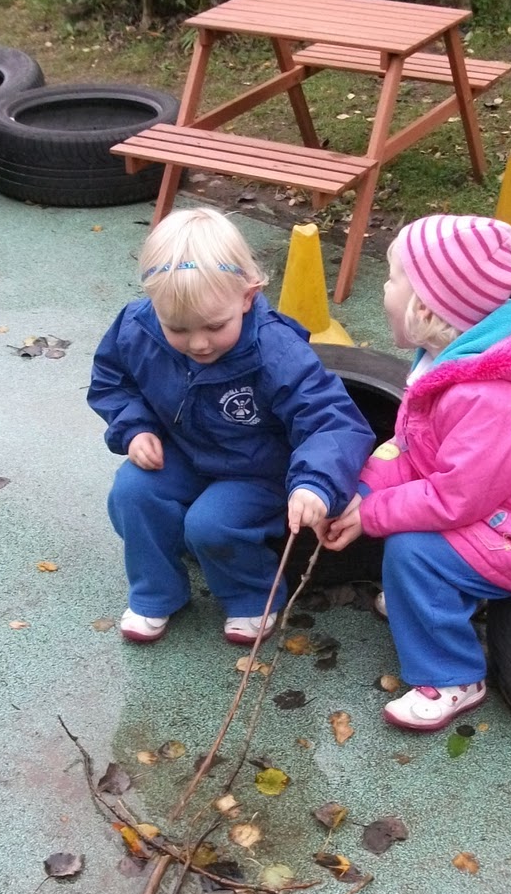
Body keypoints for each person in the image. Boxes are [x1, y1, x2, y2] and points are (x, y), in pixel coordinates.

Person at [323, 214, 511, 732]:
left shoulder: (485, 397)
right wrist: (363, 492)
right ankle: (438, 599)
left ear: (424, 307)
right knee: (408, 535)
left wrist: (375, 515)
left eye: (391, 278)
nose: (382, 289)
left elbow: (455, 499)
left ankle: (453, 677)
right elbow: (409, 450)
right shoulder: (446, 365)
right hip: (500, 514)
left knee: (414, 553)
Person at [88, 207, 375, 646]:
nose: (198, 343)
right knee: (133, 490)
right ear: (154, 306)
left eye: (215, 326)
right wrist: (135, 428)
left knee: (211, 525)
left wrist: (314, 484)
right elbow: (113, 381)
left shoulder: (276, 351)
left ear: (247, 296)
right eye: (178, 329)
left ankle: (253, 596)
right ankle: (157, 591)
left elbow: (331, 422)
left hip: (257, 469)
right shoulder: (137, 328)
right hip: (184, 450)